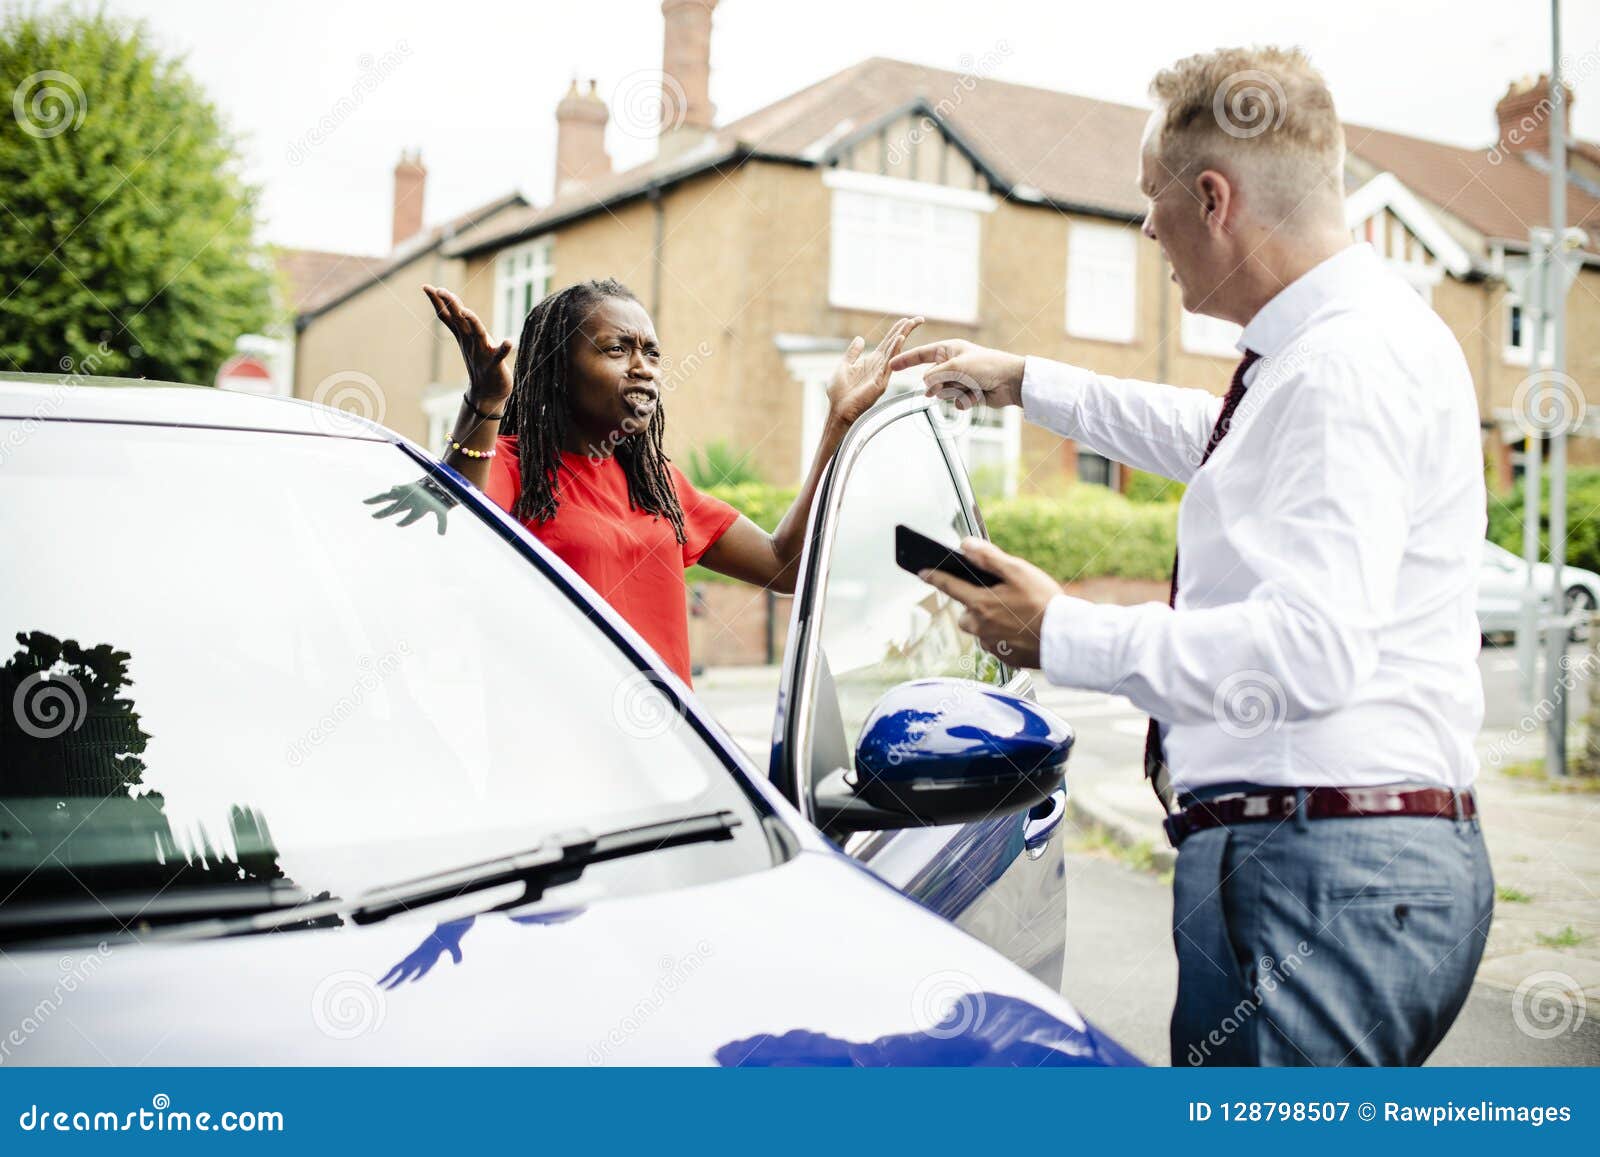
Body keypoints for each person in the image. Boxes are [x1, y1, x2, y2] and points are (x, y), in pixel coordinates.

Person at [890, 46, 1492, 1066]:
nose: (1144, 226)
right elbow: (1224, 438)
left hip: (1318, 867)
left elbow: (1311, 650)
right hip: (1333, 860)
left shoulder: (1343, 363)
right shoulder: (1335, 348)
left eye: (1149, 196)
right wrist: (1025, 380)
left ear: (1213, 199)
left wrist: (1059, 630)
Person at [421, 278, 919, 686]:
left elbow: (783, 565)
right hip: (559, 747)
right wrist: (485, 401)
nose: (644, 369)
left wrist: (840, 420)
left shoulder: (656, 483)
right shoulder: (512, 466)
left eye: (653, 353)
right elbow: (455, 525)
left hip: (669, 749)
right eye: (617, 349)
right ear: (558, 369)